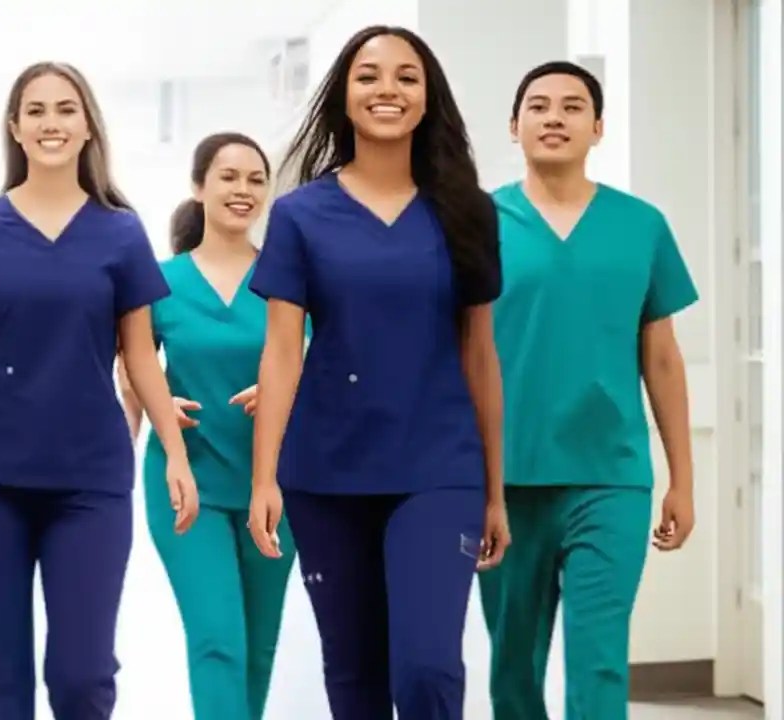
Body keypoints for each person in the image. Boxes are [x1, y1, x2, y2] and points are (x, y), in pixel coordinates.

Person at [0, 61, 199, 719]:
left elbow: (139, 355)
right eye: (36, 110)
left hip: (89, 478)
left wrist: (175, 451)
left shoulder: (120, 231)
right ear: (15, 127)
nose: (51, 122)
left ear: (88, 126)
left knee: (82, 675)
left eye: (66, 109)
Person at [245, 25, 511, 720]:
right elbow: (282, 352)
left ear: (428, 98)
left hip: (439, 468)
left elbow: (481, 355)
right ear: (344, 96)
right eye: (368, 76)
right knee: (354, 674)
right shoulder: (299, 215)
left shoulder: (469, 212)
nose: (387, 89)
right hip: (326, 474)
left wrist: (494, 489)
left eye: (406, 76)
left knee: (426, 668)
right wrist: (264, 477)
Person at [480, 61, 698, 720]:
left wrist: (682, 480)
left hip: (611, 477)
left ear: (598, 128)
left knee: (600, 663)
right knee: (513, 668)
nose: (554, 117)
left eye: (572, 106)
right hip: (505, 481)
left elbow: (662, 359)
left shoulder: (641, 225)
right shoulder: (478, 224)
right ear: (513, 125)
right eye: (538, 106)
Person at [119, 132, 296, 720]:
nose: (243, 190)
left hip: (274, 484)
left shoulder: (287, 280)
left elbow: (312, 360)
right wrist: (155, 401)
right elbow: (132, 363)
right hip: (187, 481)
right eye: (229, 176)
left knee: (258, 648)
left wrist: (283, 387)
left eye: (255, 179)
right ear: (199, 187)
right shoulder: (160, 281)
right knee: (217, 640)